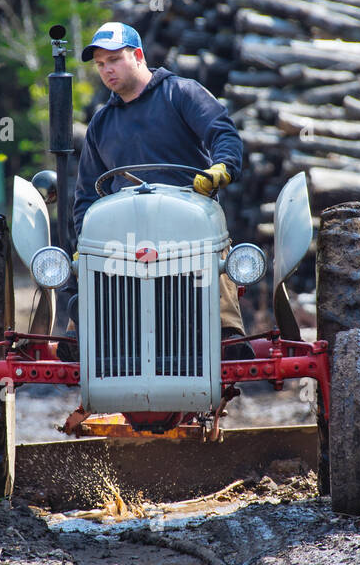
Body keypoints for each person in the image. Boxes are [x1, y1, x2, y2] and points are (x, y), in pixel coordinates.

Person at [68, 21, 252, 360]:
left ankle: (227, 334)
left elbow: (223, 133)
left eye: (114, 59)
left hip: (189, 219)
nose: (107, 70)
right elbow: (86, 197)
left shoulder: (181, 93)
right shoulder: (101, 123)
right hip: (124, 229)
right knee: (88, 259)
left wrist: (221, 168)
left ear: (138, 56)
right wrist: (83, 243)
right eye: (100, 64)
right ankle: (83, 336)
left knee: (213, 241)